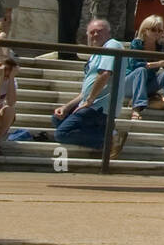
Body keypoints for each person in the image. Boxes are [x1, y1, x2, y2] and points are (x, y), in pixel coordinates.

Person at [50, 19, 128, 155]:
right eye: (92, 32)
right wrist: (66, 107)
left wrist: (89, 101)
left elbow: (105, 74)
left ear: (109, 33)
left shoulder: (112, 45)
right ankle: (104, 131)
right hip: (90, 105)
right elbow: (84, 92)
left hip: (100, 107)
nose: (95, 35)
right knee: (57, 118)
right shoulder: (96, 54)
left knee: (62, 134)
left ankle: (110, 138)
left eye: (100, 31)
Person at [127, 17, 164, 122]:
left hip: (147, 84)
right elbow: (135, 65)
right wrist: (157, 63)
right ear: (145, 30)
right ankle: (136, 108)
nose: (157, 33)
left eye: (160, 30)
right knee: (141, 70)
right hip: (130, 83)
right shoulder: (137, 43)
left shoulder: (159, 47)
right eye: (154, 29)